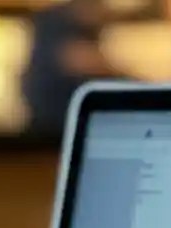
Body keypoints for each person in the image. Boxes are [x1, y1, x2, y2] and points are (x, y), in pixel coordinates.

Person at [22, 0, 114, 134]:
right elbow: (81, 61)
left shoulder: (85, 27)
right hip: (50, 127)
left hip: (66, 123)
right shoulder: (55, 21)